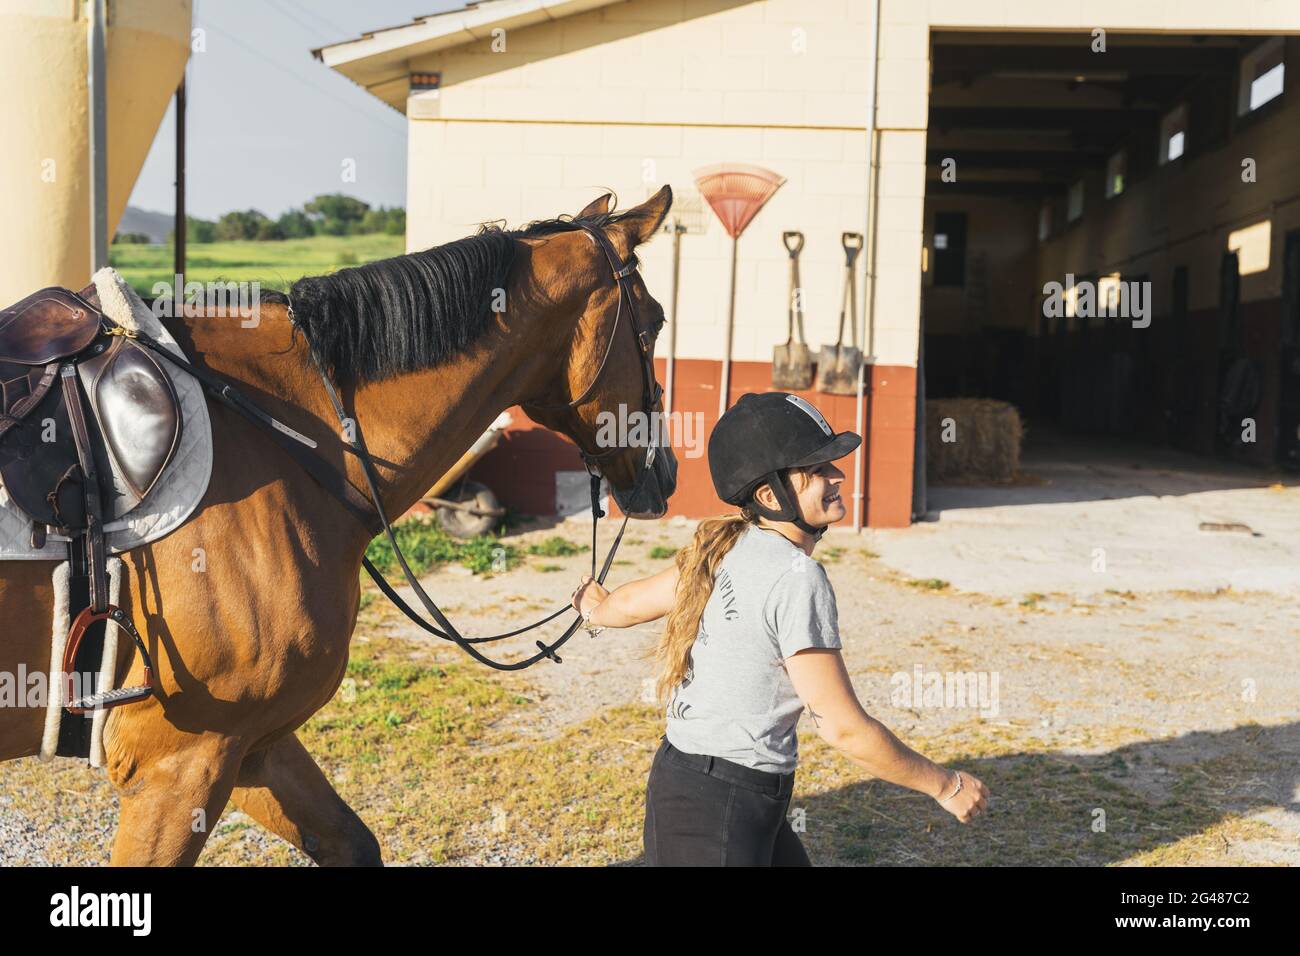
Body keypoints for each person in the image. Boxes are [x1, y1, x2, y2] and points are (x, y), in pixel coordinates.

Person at [571, 391, 990, 866]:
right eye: (818, 470)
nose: (838, 477)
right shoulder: (798, 579)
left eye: (833, 463)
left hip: (705, 787)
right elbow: (842, 728)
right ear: (770, 496)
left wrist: (595, 606)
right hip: (718, 806)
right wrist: (945, 785)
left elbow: (628, 604)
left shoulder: (726, 546)